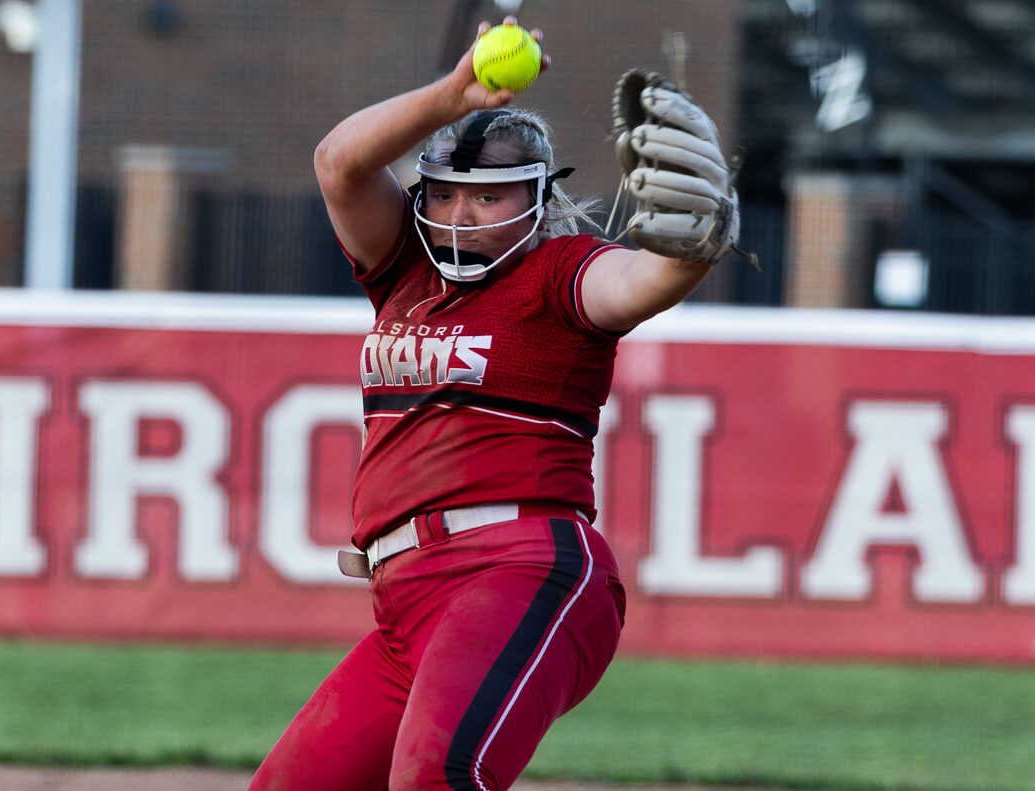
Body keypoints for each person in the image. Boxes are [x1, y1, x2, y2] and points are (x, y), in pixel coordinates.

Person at [249, 16, 741, 791]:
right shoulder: (403, 271)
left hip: (519, 569)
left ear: (539, 198)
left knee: (437, 777)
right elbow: (338, 162)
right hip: (404, 602)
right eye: (444, 194)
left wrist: (688, 249)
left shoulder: (557, 273)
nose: (459, 214)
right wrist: (452, 95)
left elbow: (637, 284)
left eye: (487, 196)